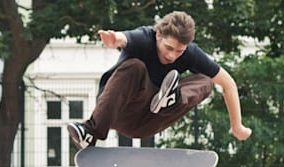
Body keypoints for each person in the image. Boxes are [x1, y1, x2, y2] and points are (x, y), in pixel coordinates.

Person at [66, 11, 251, 150]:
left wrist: (237, 126)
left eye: (179, 51)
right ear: (158, 35)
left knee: (206, 81)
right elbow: (125, 38)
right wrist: (116, 39)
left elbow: (228, 84)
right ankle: (90, 133)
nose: (172, 56)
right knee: (135, 67)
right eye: (169, 48)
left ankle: (172, 99)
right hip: (117, 109)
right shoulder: (144, 38)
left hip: (146, 121)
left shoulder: (191, 53)